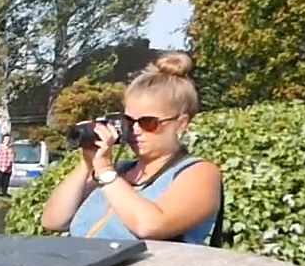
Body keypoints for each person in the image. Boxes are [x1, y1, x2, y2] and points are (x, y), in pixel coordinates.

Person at [39, 52, 223, 244]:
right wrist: (87, 164)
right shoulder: (121, 170)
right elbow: (53, 220)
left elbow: (151, 226)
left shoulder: (198, 173)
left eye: (148, 122)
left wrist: (106, 173)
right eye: (128, 121)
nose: (135, 130)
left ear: (181, 123)